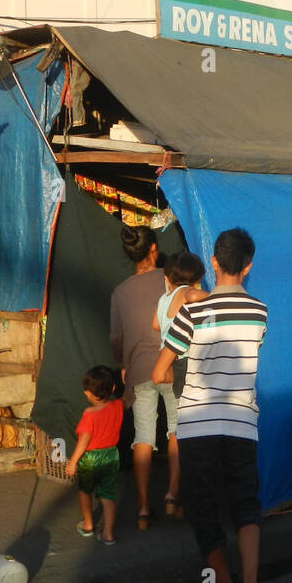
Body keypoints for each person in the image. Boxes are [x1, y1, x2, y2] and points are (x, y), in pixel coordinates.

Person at [153, 228, 273, 583]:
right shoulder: (260, 311)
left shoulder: (192, 312)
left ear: (215, 263)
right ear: (249, 265)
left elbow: (159, 370)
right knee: (245, 503)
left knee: (203, 508)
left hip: (197, 424)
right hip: (241, 422)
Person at [110, 224, 176, 530]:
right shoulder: (170, 281)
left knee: (143, 437)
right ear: (153, 250)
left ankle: (143, 509)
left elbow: (116, 338)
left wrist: (122, 362)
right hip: (173, 365)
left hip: (138, 369)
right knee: (176, 431)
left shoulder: (120, 292)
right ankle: (173, 496)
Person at [152, 252, 208, 443]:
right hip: (184, 360)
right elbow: (194, 295)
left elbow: (155, 325)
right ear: (197, 279)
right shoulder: (186, 292)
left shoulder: (163, 299)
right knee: (187, 426)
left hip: (168, 363)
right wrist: (218, 296)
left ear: (167, 278)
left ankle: (175, 473)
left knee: (176, 427)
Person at [67, 365, 126, 546]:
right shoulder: (118, 405)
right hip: (111, 455)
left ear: (88, 393)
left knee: (85, 491)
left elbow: (84, 440)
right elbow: (128, 397)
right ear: (113, 388)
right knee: (108, 495)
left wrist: (73, 462)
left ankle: (88, 524)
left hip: (91, 459)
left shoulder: (89, 414)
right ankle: (108, 533)